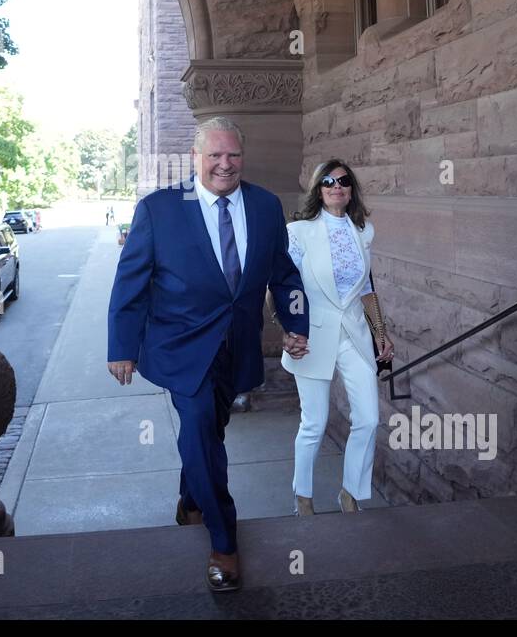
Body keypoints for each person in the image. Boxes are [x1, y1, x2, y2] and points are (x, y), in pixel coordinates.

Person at [107, 116, 309, 592]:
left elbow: (283, 274)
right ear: (196, 157)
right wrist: (122, 346)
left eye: (233, 155)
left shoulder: (264, 205)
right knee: (199, 428)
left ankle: (190, 501)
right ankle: (223, 541)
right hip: (179, 347)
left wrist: (295, 324)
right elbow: (130, 282)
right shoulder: (159, 209)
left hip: (236, 347)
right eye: (215, 155)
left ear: (243, 157)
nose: (225, 164)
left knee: (206, 433)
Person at [282, 160, 394, 516]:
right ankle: (302, 497)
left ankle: (351, 493)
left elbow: (368, 289)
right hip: (312, 337)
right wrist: (287, 329)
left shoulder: (364, 232)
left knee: (368, 418)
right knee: (314, 422)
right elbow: (284, 288)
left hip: (354, 336)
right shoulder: (297, 232)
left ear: (351, 189)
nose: (336, 187)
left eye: (343, 181)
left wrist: (382, 334)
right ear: (318, 189)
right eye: (328, 181)